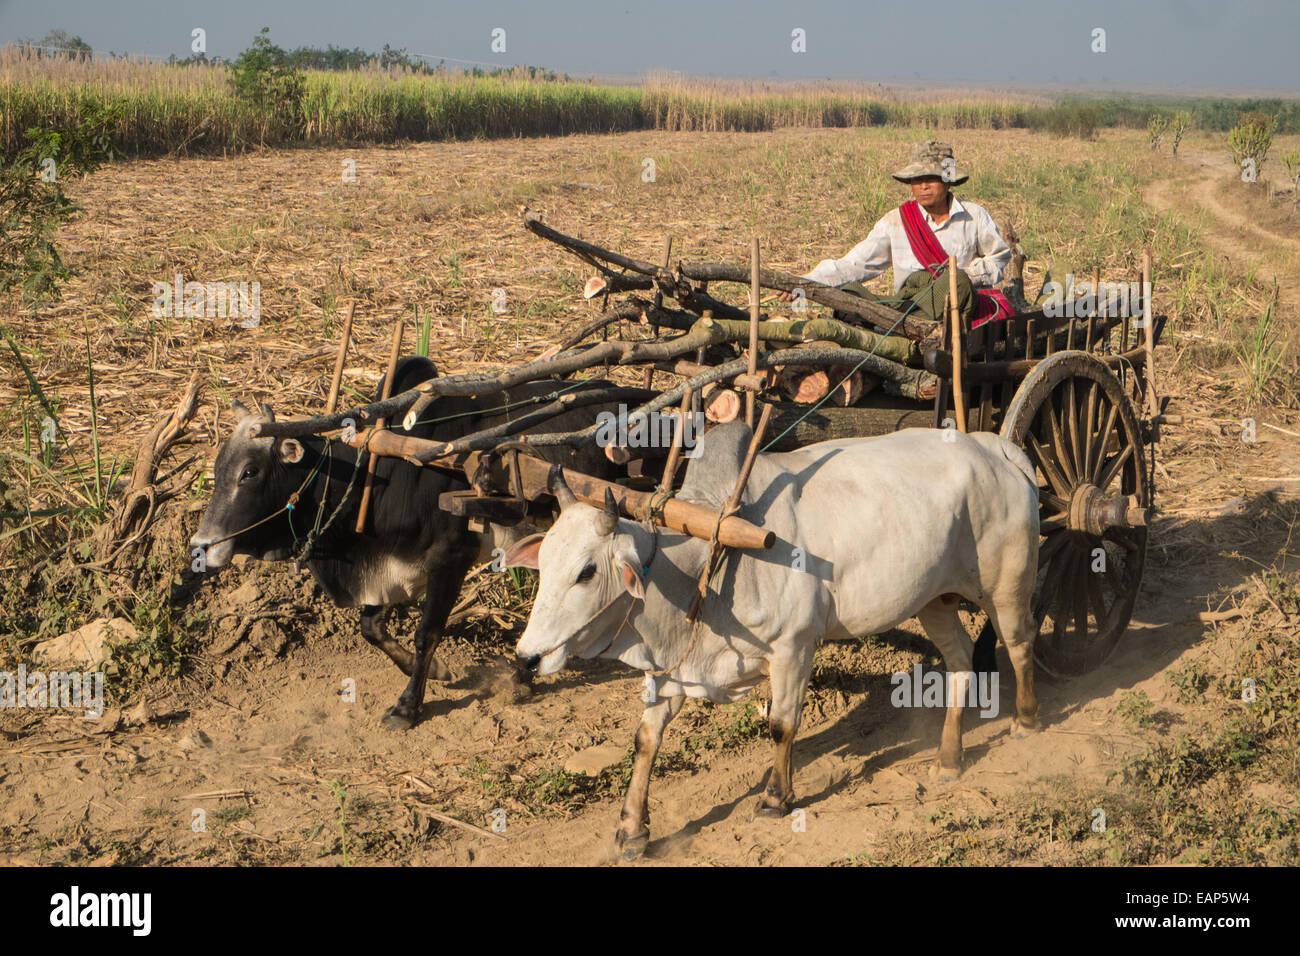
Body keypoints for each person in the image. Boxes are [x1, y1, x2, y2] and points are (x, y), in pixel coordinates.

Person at [782, 140, 1014, 330]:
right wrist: (803, 282)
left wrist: (960, 278)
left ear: (948, 180)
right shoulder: (896, 221)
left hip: (955, 316)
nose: (923, 186)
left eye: (931, 178)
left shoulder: (974, 216)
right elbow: (854, 264)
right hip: (908, 312)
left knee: (958, 283)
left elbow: (998, 258)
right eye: (916, 179)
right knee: (849, 296)